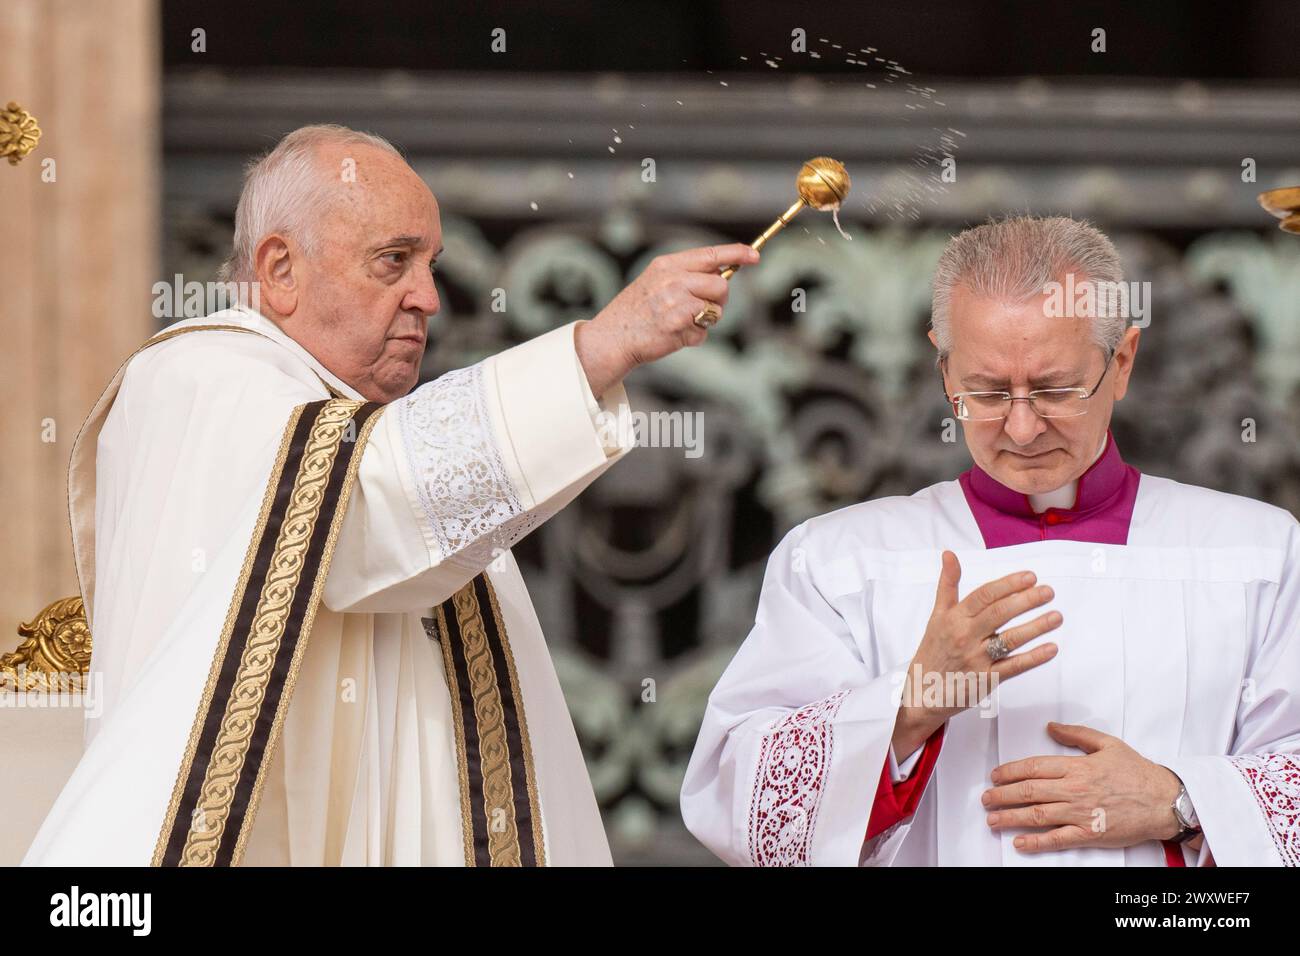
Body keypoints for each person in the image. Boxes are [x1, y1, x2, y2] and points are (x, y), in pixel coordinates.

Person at [23, 124, 758, 866]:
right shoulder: (198, 380)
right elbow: (360, 514)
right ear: (279, 269)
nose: (429, 298)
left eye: (432, 264)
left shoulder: (372, 428)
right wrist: (599, 349)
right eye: (394, 261)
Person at [680, 215, 1299, 867]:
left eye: (1056, 389)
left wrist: (1180, 802)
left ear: (1121, 363)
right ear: (945, 372)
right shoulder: (840, 563)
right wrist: (913, 704)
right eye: (987, 392)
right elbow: (736, 802)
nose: (1024, 428)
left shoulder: (1258, 555)